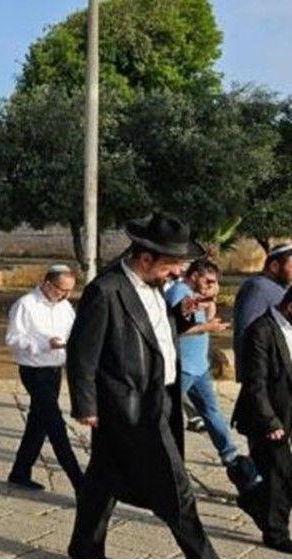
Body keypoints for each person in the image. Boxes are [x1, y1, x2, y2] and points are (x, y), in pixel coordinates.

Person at [65, 213, 216, 558]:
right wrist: (86, 405)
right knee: (177, 490)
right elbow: (81, 352)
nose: (179, 273)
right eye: (173, 264)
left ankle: (83, 548)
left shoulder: (157, 288)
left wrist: (181, 315)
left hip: (161, 397)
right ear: (145, 258)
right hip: (129, 405)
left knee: (103, 481)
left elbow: (151, 336)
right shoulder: (105, 290)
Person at [4, 265, 82, 491]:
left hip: (55, 369)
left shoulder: (65, 307)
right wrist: (44, 343)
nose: (65, 295)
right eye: (61, 290)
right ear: (47, 284)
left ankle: (20, 471)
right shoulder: (25, 305)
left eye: (69, 291)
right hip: (34, 370)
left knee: (38, 423)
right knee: (56, 424)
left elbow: (73, 332)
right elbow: (13, 339)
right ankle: (79, 481)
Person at [232, 287, 292, 553]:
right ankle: (276, 534)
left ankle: (253, 497)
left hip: (287, 411)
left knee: (280, 475)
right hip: (264, 416)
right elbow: (255, 384)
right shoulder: (261, 331)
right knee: (279, 474)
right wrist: (271, 423)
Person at [165, 260, 240, 470]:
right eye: (208, 280)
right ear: (195, 275)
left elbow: (207, 316)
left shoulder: (194, 293)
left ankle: (230, 454)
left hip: (199, 366)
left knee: (212, 411)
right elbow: (176, 329)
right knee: (167, 413)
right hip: (184, 366)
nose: (209, 285)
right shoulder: (180, 292)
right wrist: (208, 327)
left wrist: (211, 300)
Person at [233, 244, 292, 381]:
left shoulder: (280, 287)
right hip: (264, 373)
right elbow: (247, 331)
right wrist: (252, 373)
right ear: (275, 266)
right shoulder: (258, 288)